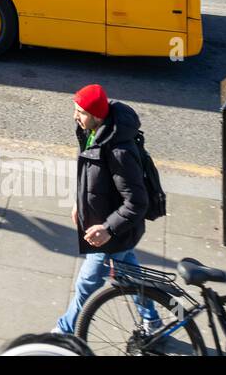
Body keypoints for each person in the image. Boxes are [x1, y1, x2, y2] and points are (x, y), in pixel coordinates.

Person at [55, 84, 160, 335]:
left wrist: (107, 229)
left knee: (86, 283)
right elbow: (92, 178)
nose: (75, 116)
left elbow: (137, 202)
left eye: (80, 111)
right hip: (110, 228)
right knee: (129, 274)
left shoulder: (118, 152)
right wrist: (79, 205)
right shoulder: (93, 133)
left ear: (97, 115)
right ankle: (152, 319)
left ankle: (64, 331)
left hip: (112, 233)